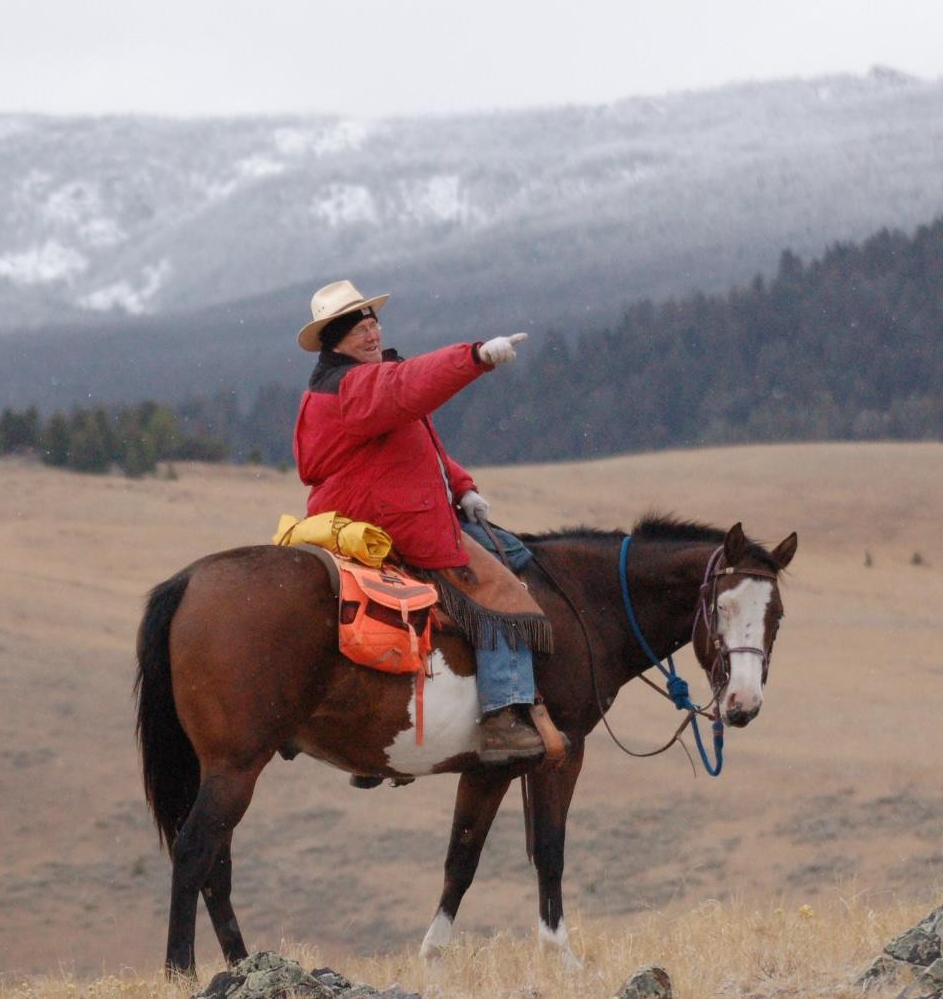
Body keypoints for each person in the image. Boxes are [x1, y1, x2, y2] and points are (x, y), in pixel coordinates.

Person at [293, 279, 553, 764]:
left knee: (515, 552)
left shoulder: (359, 383)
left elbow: (416, 445)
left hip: (397, 504)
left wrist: (461, 487)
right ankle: (502, 715)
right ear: (334, 343)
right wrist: (475, 357)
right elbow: (413, 384)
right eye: (357, 330)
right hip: (392, 517)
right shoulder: (356, 387)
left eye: (373, 324)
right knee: (502, 590)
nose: (370, 335)